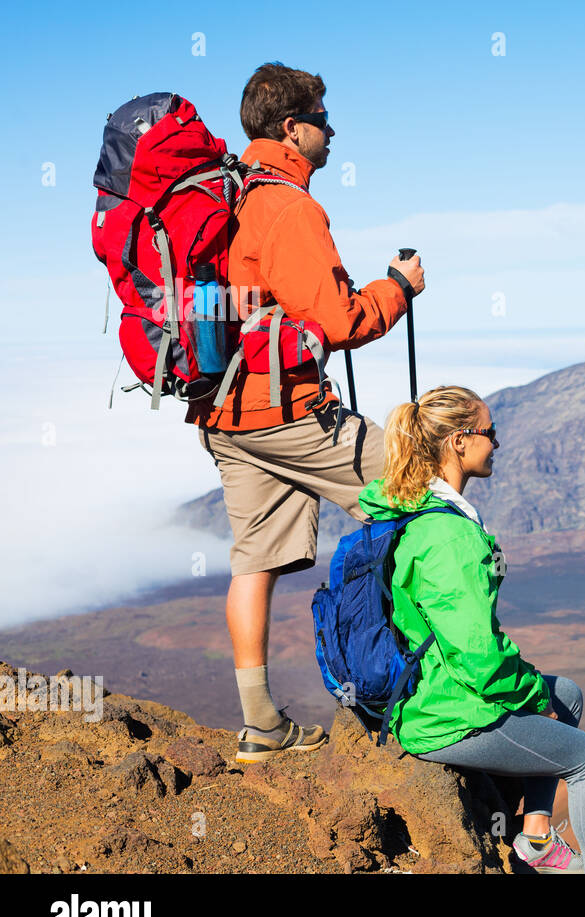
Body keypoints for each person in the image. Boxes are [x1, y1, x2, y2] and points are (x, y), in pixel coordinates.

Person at [186, 62, 425, 764]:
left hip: (222, 412)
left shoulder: (229, 198)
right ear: (292, 129)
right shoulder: (288, 206)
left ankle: (261, 725)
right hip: (283, 412)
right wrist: (399, 288)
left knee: (253, 562)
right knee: (417, 488)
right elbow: (339, 319)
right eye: (323, 120)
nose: (332, 132)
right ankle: (423, 685)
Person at [356, 386, 585, 874]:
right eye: (489, 433)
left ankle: (536, 840)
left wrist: (540, 690)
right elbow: (477, 654)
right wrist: (532, 696)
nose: (496, 443)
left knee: (569, 695)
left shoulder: (416, 513)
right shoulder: (449, 534)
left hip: (429, 692)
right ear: (459, 441)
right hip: (445, 715)